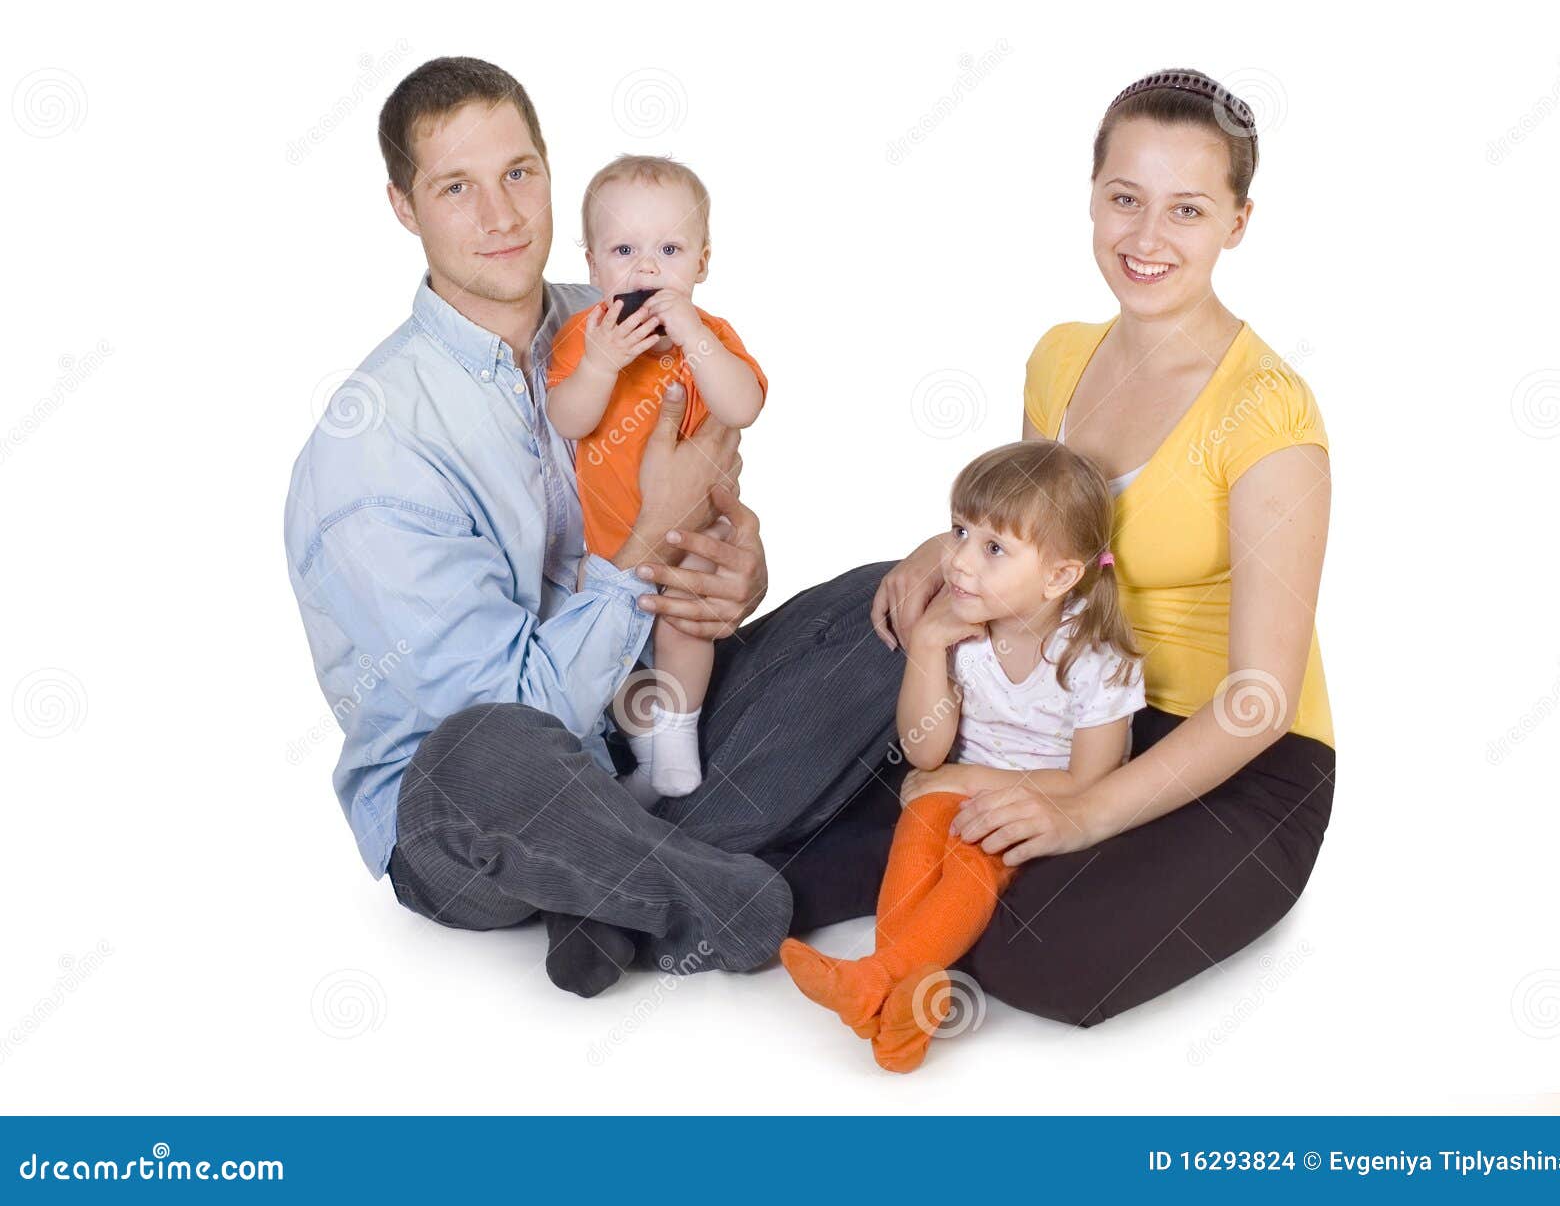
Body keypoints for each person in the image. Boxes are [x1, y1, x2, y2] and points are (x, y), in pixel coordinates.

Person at [283, 57, 902, 999]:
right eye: (457, 187)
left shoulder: (621, 318)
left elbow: (712, 495)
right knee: (478, 757)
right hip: (478, 809)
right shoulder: (373, 448)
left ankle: (612, 893)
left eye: (519, 173)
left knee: (893, 601)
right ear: (405, 209)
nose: (501, 216)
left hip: (654, 724)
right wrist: (652, 535)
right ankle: (735, 896)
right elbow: (515, 712)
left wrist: (733, 568)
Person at [782, 67, 1338, 1030]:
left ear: (1237, 223)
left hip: (1235, 754)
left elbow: (1261, 702)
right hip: (1063, 705)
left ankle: (910, 883)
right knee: (849, 752)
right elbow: (1036, 533)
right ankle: (721, 864)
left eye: (1187, 210)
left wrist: (1084, 813)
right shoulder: (1061, 357)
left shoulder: (1268, 420)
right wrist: (933, 549)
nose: (1146, 239)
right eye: (1124, 199)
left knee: (1038, 958)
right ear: (1092, 195)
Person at [781, 442, 1145, 1070]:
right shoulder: (962, 631)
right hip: (951, 784)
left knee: (971, 863)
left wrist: (971, 778)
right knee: (917, 841)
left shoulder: (1093, 659)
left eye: (993, 548)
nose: (958, 561)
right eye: (959, 532)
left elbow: (1092, 779)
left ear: (1060, 576)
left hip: (1039, 800)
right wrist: (927, 643)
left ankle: (878, 976)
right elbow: (925, 750)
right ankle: (905, 1017)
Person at [547, 155, 767, 801]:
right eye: (624, 250)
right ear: (593, 267)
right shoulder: (586, 336)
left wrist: (694, 335)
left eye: (669, 250)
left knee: (684, 627)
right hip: (607, 549)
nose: (647, 268)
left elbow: (743, 406)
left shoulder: (713, 337)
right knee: (611, 654)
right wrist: (600, 365)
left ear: (700, 264)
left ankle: (677, 740)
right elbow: (567, 417)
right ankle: (639, 750)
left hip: (696, 541)